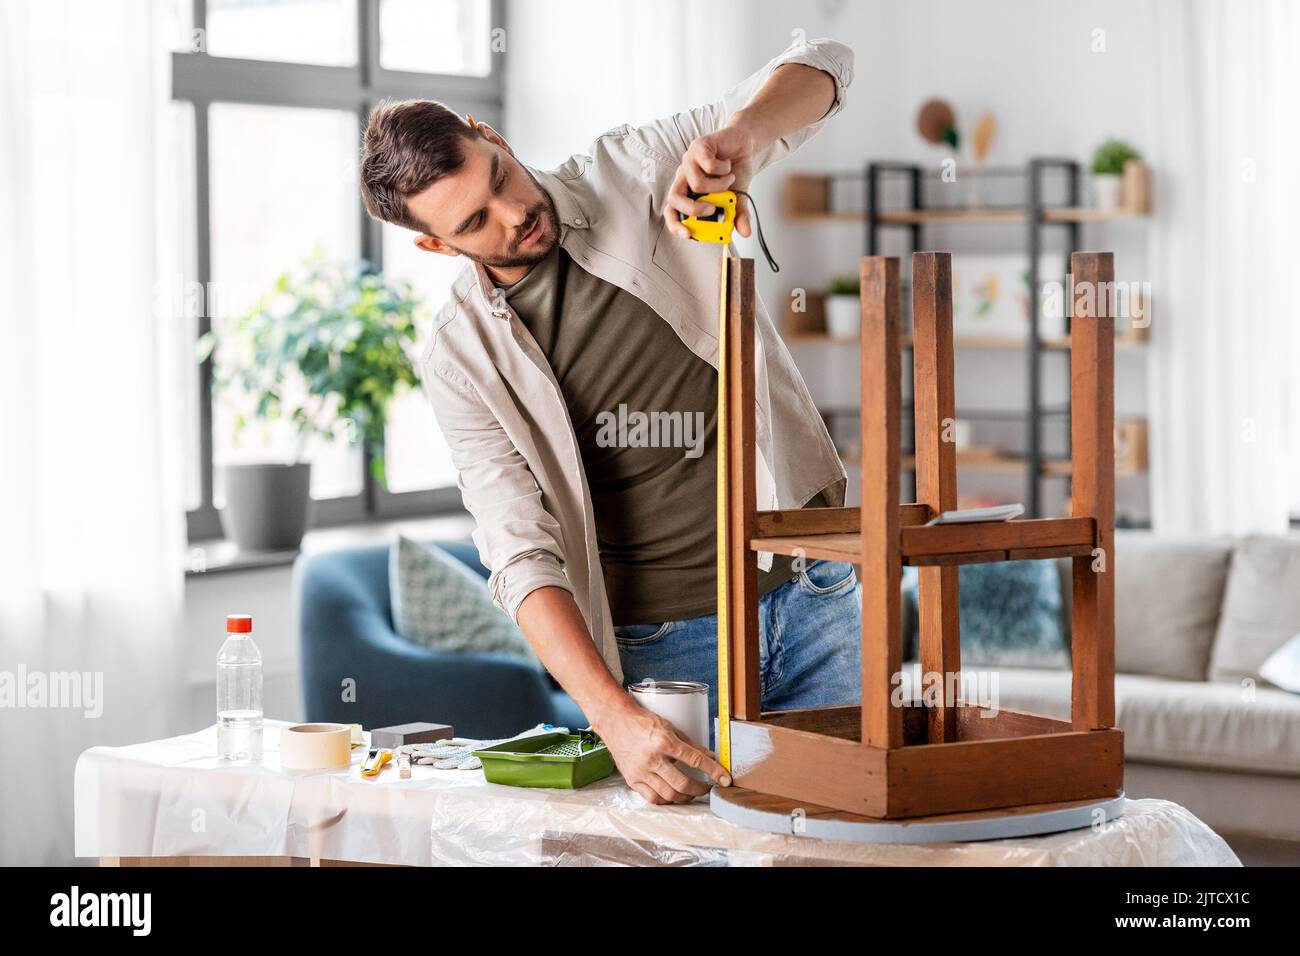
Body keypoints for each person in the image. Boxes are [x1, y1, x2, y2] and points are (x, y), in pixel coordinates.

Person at [360, 36, 860, 806]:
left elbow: (828, 66)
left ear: (491, 137)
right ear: (435, 244)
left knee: (858, 844)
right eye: (476, 221)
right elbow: (520, 553)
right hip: (674, 643)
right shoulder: (460, 358)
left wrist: (743, 135)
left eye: (501, 177)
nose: (516, 214)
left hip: (817, 585)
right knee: (711, 858)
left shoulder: (632, 168)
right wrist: (612, 715)